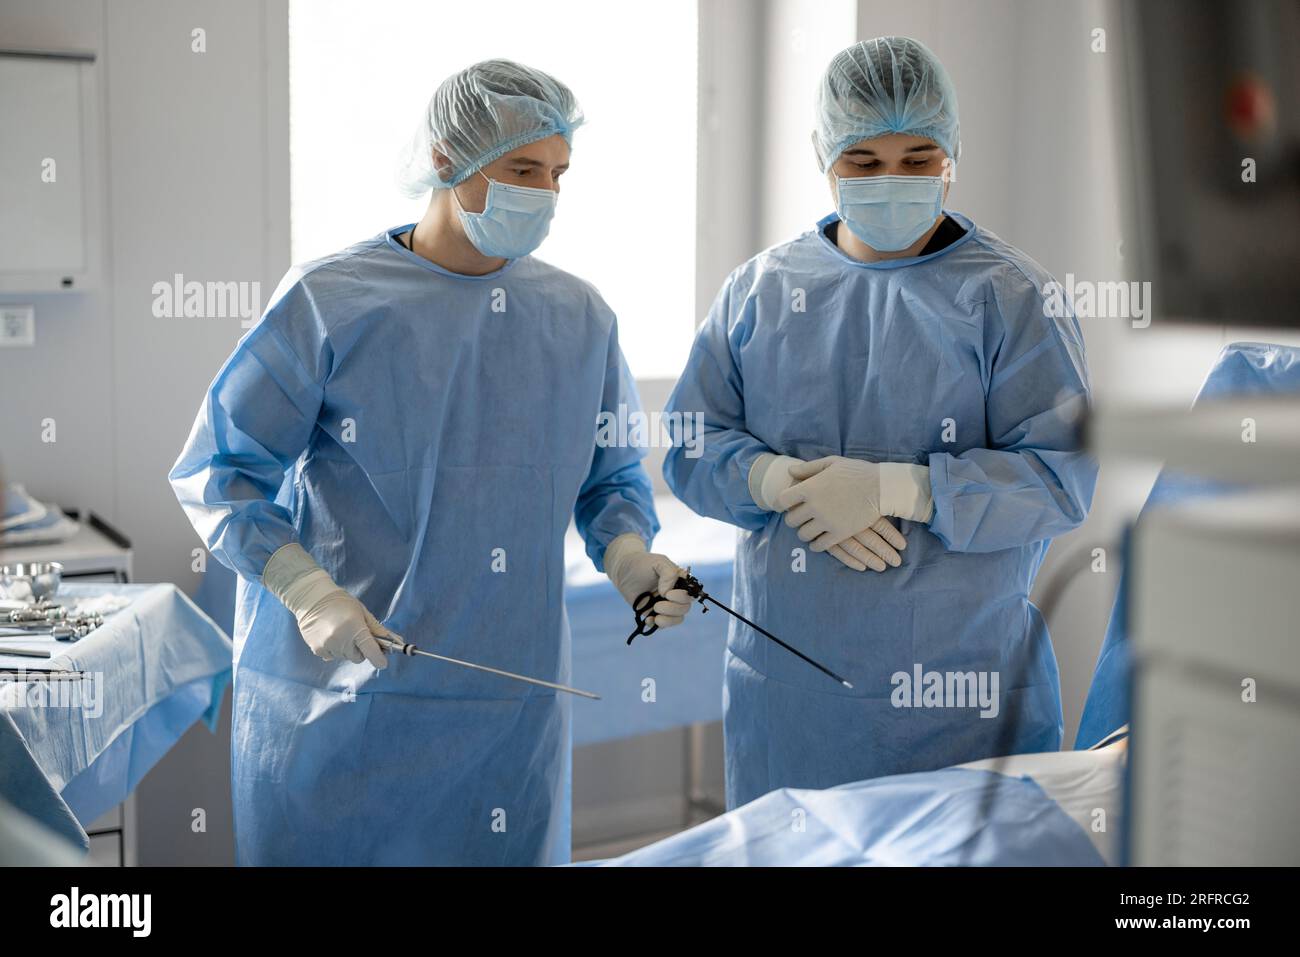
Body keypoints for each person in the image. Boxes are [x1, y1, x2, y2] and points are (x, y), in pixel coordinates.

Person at [169, 59, 692, 865]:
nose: (545, 195)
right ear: (447, 158)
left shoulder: (579, 316)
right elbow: (220, 469)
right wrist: (307, 592)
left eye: (558, 174)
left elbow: (610, 477)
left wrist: (629, 557)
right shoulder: (331, 301)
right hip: (341, 706)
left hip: (506, 716)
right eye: (524, 169)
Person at [663, 37, 1098, 809]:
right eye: (864, 162)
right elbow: (692, 442)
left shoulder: (1012, 297)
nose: (892, 179)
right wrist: (772, 479)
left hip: (960, 701)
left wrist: (902, 488)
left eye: (918, 157)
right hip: (792, 701)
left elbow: (1062, 478)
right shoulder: (761, 291)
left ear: (952, 153)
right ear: (824, 157)